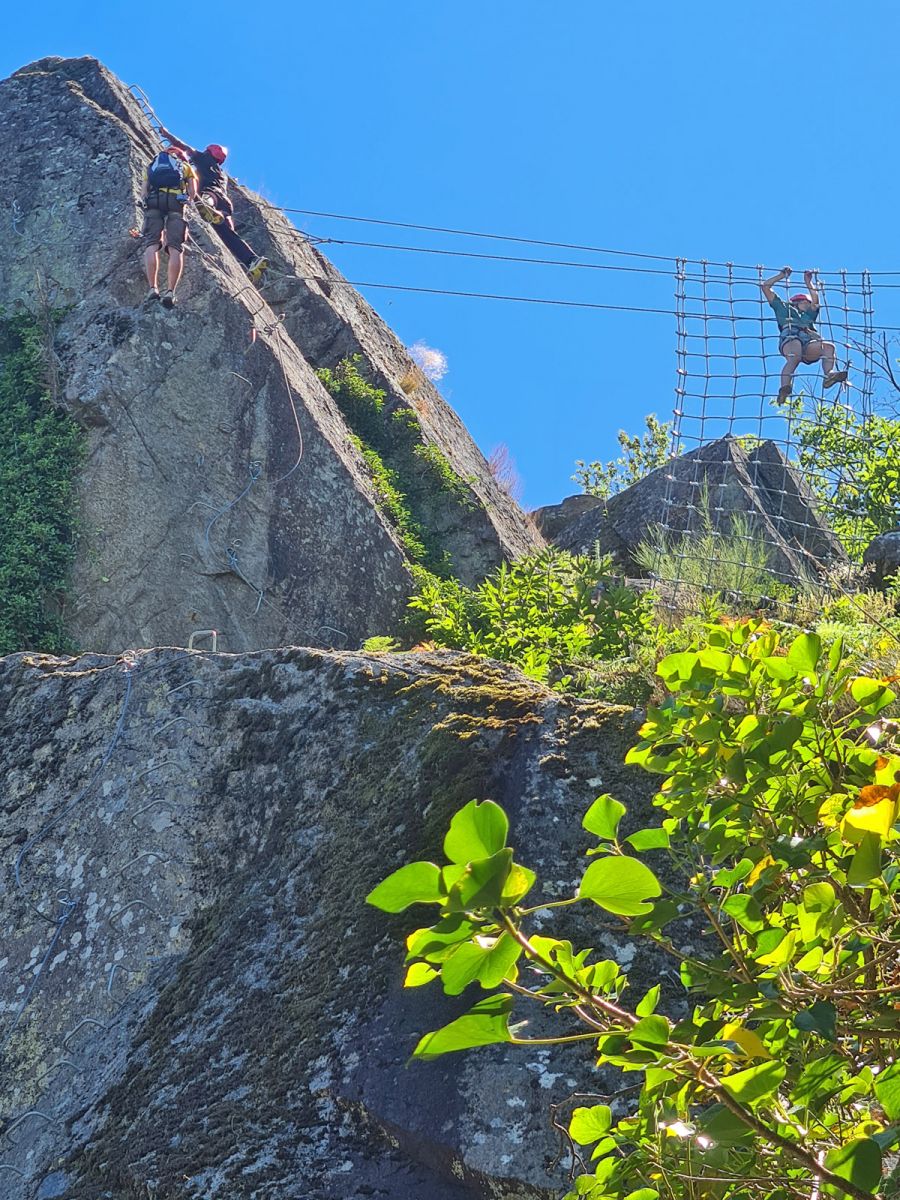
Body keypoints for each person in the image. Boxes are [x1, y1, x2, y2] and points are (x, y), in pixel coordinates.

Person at [156, 124, 269, 284]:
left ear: (209, 151)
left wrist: (166, 134)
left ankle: (208, 208)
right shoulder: (220, 173)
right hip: (225, 207)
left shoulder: (203, 158)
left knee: (207, 198)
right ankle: (252, 260)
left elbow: (184, 147)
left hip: (212, 197)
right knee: (229, 236)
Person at [760, 267, 848, 401]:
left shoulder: (808, 316)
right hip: (791, 336)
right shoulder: (783, 308)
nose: (809, 304)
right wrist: (781, 276)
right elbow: (766, 287)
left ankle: (829, 375)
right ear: (796, 302)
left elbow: (815, 301)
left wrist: (809, 283)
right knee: (794, 357)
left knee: (829, 347)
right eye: (806, 302)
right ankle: (785, 388)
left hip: (808, 341)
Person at [140, 145, 198, 308]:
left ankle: (153, 288)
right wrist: (186, 200)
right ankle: (170, 292)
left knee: (151, 245)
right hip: (176, 205)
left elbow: (144, 192)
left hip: (154, 203)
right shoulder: (185, 167)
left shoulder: (152, 167)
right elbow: (192, 193)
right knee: (175, 247)